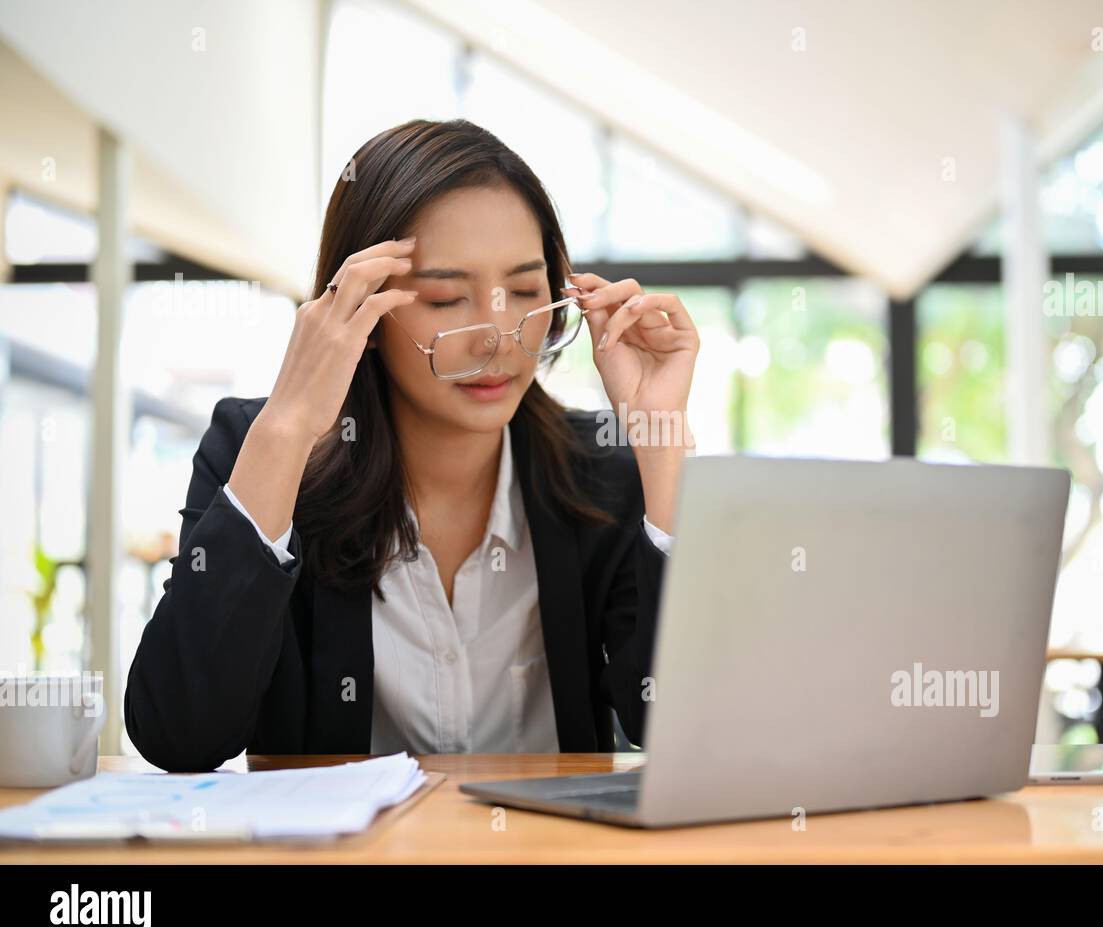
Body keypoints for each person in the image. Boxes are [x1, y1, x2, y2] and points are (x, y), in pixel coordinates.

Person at [125, 119, 700, 772]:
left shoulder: (604, 472)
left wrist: (661, 442)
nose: (498, 338)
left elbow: (680, 726)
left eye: (523, 291)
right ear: (360, 312)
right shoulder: (261, 453)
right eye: (447, 297)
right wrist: (288, 427)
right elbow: (178, 732)